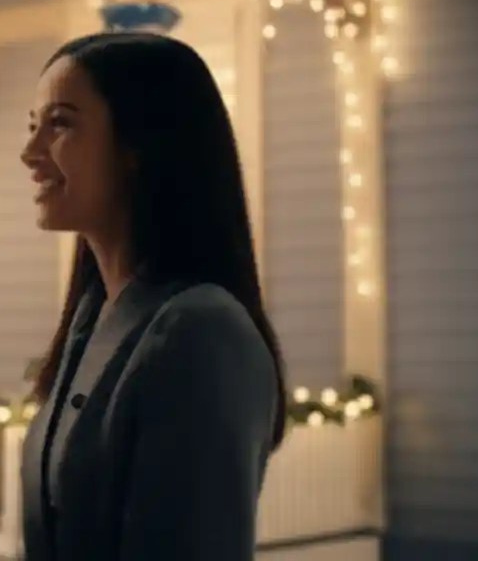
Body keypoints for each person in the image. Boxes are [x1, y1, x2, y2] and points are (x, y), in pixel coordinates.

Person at [18, 32, 288, 560]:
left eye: (61, 123)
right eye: (33, 126)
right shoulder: (90, 322)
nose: (30, 153)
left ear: (139, 145)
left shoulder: (202, 333)